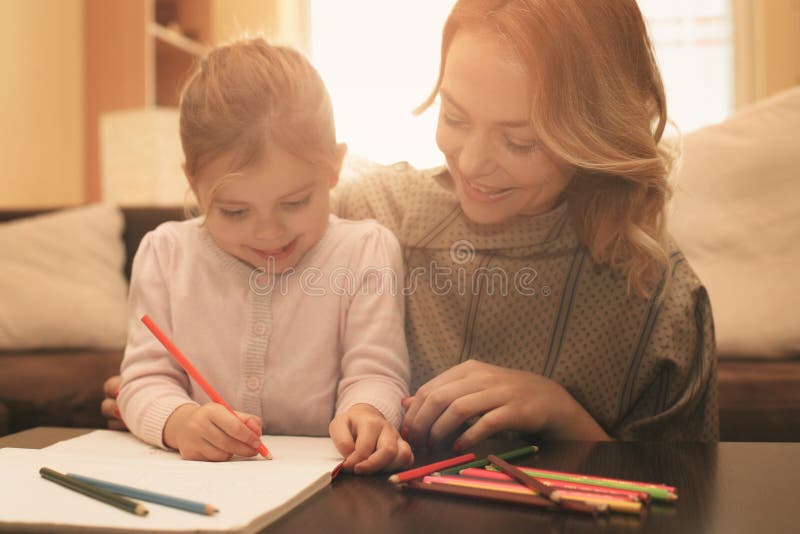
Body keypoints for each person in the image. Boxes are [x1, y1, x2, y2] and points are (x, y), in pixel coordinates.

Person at [104, 0, 717, 449]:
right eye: (454, 114)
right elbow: (240, 254)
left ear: (599, 133)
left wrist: (564, 417)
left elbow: (691, 498)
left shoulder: (658, 300)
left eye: (521, 140)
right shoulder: (369, 214)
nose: (474, 162)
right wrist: (161, 405)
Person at [116, 37, 413, 473]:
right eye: (235, 211)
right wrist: (180, 423)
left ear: (334, 166)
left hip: (325, 485)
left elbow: (376, 372)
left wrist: (368, 413)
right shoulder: (165, 254)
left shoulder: (365, 251)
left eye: (294, 203)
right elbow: (142, 381)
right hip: (199, 483)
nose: (269, 232)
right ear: (195, 184)